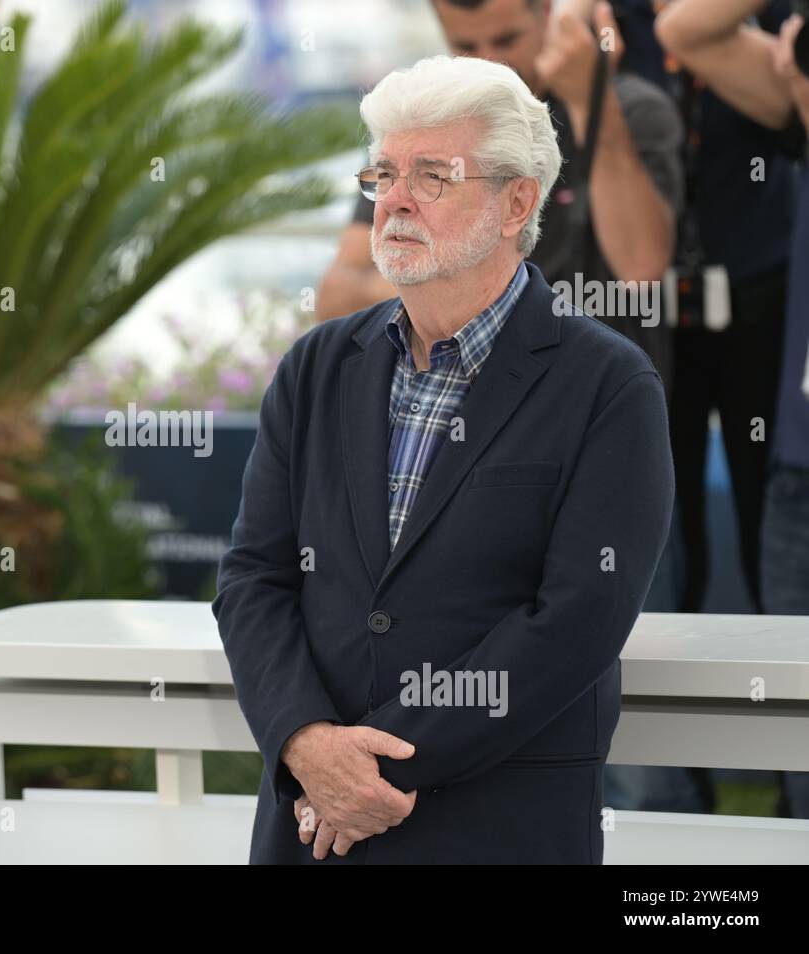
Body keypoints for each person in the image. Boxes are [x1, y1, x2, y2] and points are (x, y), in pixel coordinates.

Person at [212, 55, 674, 863]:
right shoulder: (316, 368)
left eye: (432, 176)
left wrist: (366, 770)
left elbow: (576, 622)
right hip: (312, 828)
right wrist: (308, 746)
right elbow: (255, 578)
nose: (392, 200)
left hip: (498, 824)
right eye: (384, 172)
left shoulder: (608, 383)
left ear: (516, 203)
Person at [317, 0, 682, 401]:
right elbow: (339, 298)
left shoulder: (630, 110)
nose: (493, 62)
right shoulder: (420, 130)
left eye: (508, 39)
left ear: (547, 16)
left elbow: (641, 267)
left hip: (595, 397)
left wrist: (590, 103)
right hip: (456, 398)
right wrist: (471, 286)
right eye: (467, 45)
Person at [658, 0, 809, 818]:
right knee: (661, 565)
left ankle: (787, 803)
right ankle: (674, 805)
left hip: (766, 307)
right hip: (648, 321)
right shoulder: (594, 24)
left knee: (768, 553)